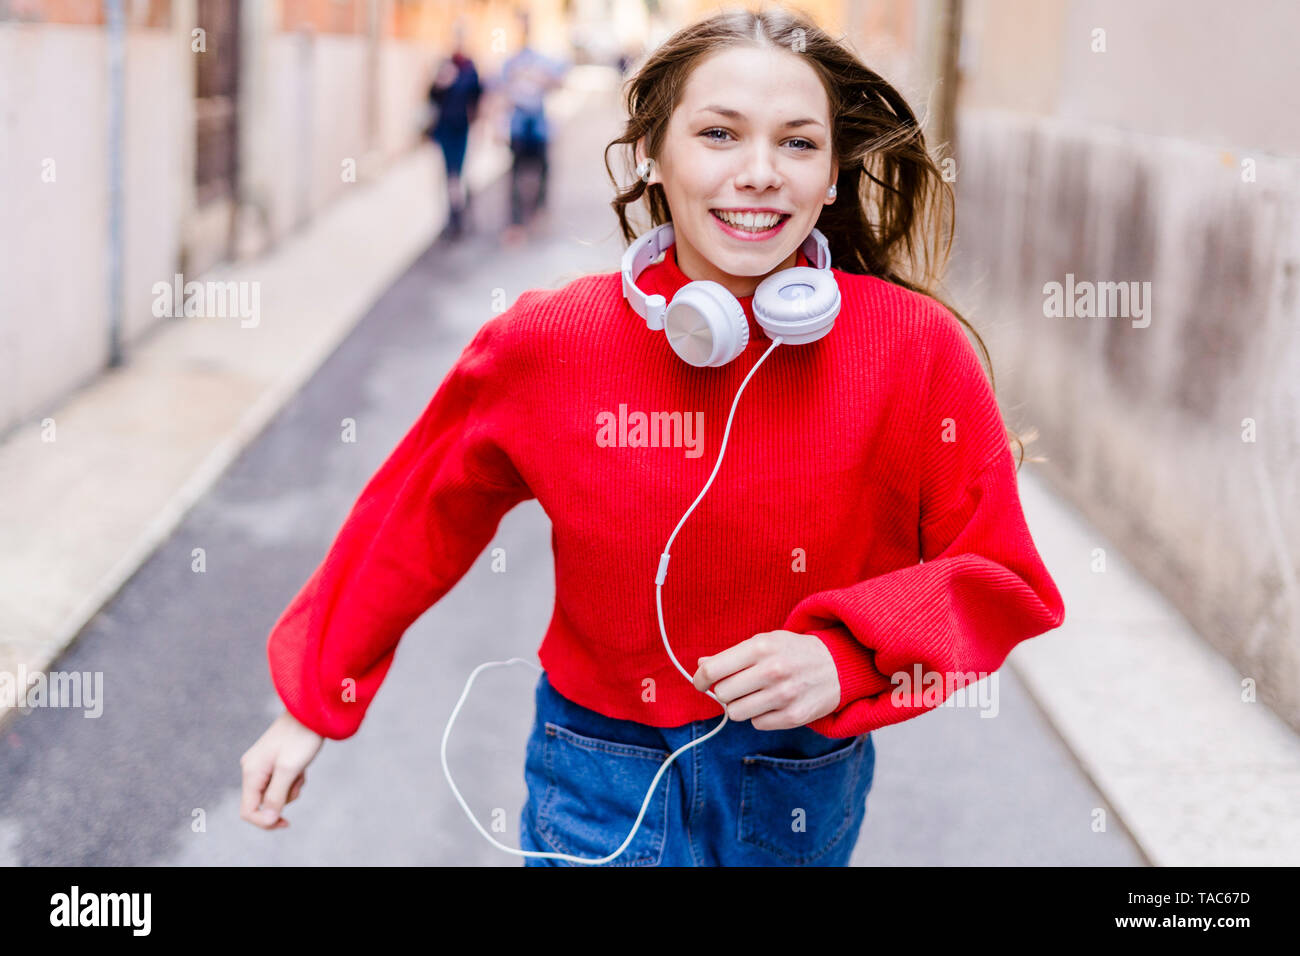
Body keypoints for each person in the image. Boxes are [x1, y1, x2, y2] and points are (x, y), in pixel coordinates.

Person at [240, 7, 1066, 866]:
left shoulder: (914, 350)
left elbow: (999, 575)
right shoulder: (546, 342)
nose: (759, 173)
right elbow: (415, 515)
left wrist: (850, 657)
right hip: (596, 769)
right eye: (718, 133)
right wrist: (313, 701)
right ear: (651, 158)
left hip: (798, 778)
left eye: (797, 143)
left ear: (830, 177)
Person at [497, 12, 568, 242]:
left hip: (538, 126)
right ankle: (517, 222)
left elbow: (558, 81)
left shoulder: (540, 60)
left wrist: (540, 79)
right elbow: (501, 93)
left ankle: (538, 211)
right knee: (516, 174)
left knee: (544, 169)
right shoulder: (510, 62)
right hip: (519, 126)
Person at [426, 22, 482, 241]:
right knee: (448, 174)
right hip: (445, 129)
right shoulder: (445, 64)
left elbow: (477, 95)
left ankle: (458, 215)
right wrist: (440, 83)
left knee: (457, 173)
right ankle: (452, 215)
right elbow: (431, 96)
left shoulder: (470, 68)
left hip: (461, 129)